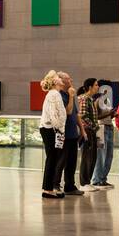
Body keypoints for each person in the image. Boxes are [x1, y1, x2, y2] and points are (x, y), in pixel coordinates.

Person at [38, 70, 67, 199]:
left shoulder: (54, 94)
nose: (61, 80)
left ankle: (48, 188)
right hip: (51, 129)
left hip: (50, 129)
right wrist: (60, 129)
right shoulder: (54, 94)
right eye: (58, 78)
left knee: (52, 158)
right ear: (55, 82)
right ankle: (48, 189)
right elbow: (54, 115)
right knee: (52, 158)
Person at [59, 71, 83, 195]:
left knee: (72, 162)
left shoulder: (70, 94)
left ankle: (70, 186)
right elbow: (67, 112)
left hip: (73, 133)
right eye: (68, 79)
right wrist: (72, 97)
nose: (71, 80)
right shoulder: (60, 96)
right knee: (61, 161)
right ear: (62, 81)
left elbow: (75, 114)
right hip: (64, 134)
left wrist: (82, 130)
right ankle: (56, 185)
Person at [90, 81, 116, 188]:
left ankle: (103, 178)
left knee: (109, 155)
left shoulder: (107, 100)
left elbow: (108, 116)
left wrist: (113, 114)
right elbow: (96, 116)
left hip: (109, 127)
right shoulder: (97, 100)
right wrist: (109, 113)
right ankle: (96, 179)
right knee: (100, 155)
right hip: (101, 128)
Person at [76, 78, 100, 191]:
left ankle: (87, 181)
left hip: (92, 131)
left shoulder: (90, 99)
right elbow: (83, 115)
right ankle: (83, 183)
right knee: (86, 157)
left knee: (92, 156)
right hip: (87, 131)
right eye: (96, 85)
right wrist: (93, 126)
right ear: (90, 87)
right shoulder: (84, 99)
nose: (98, 87)